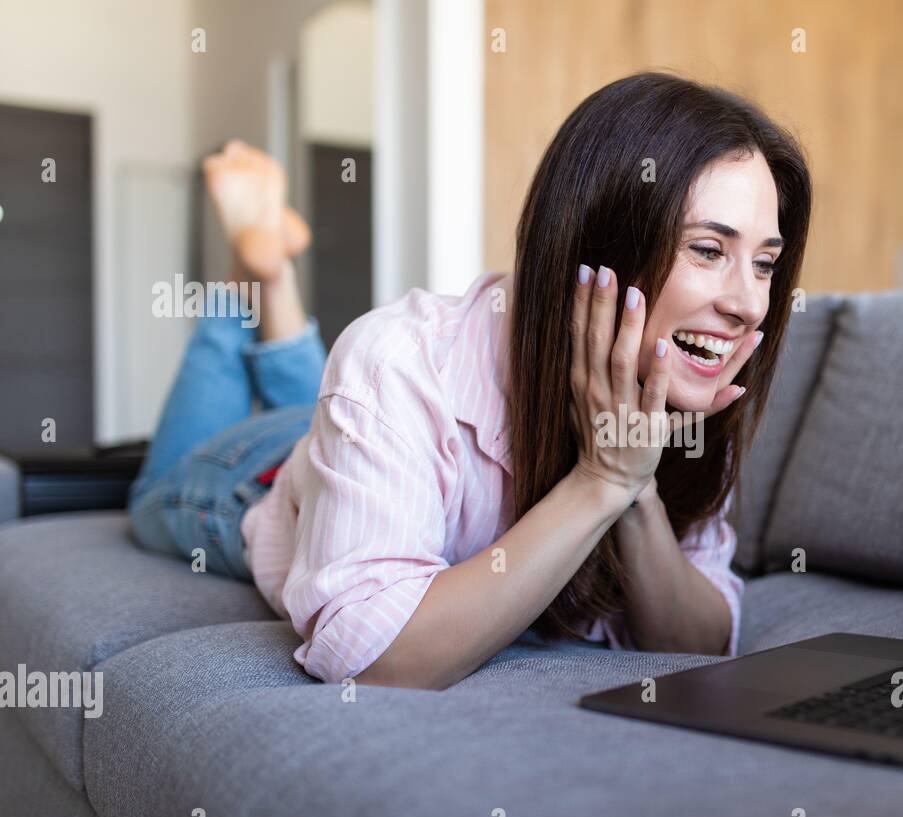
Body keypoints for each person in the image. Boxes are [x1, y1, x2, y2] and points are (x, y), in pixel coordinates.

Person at [127, 71, 813, 690]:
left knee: (319, 410)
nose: (750, 304)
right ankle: (250, 274)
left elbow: (697, 644)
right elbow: (371, 657)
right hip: (256, 476)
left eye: (763, 263)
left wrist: (636, 490)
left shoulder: (688, 396)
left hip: (360, 443)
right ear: (596, 244)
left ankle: (272, 269)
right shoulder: (399, 359)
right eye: (708, 249)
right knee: (151, 493)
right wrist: (600, 480)